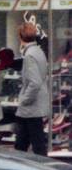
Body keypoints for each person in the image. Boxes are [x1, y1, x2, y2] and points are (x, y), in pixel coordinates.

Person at [15, 22, 50, 155]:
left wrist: (24, 100)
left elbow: (34, 83)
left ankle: (38, 169)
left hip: (31, 107)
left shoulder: (29, 55)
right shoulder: (38, 51)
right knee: (24, 142)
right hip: (34, 106)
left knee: (34, 144)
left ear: (20, 37)